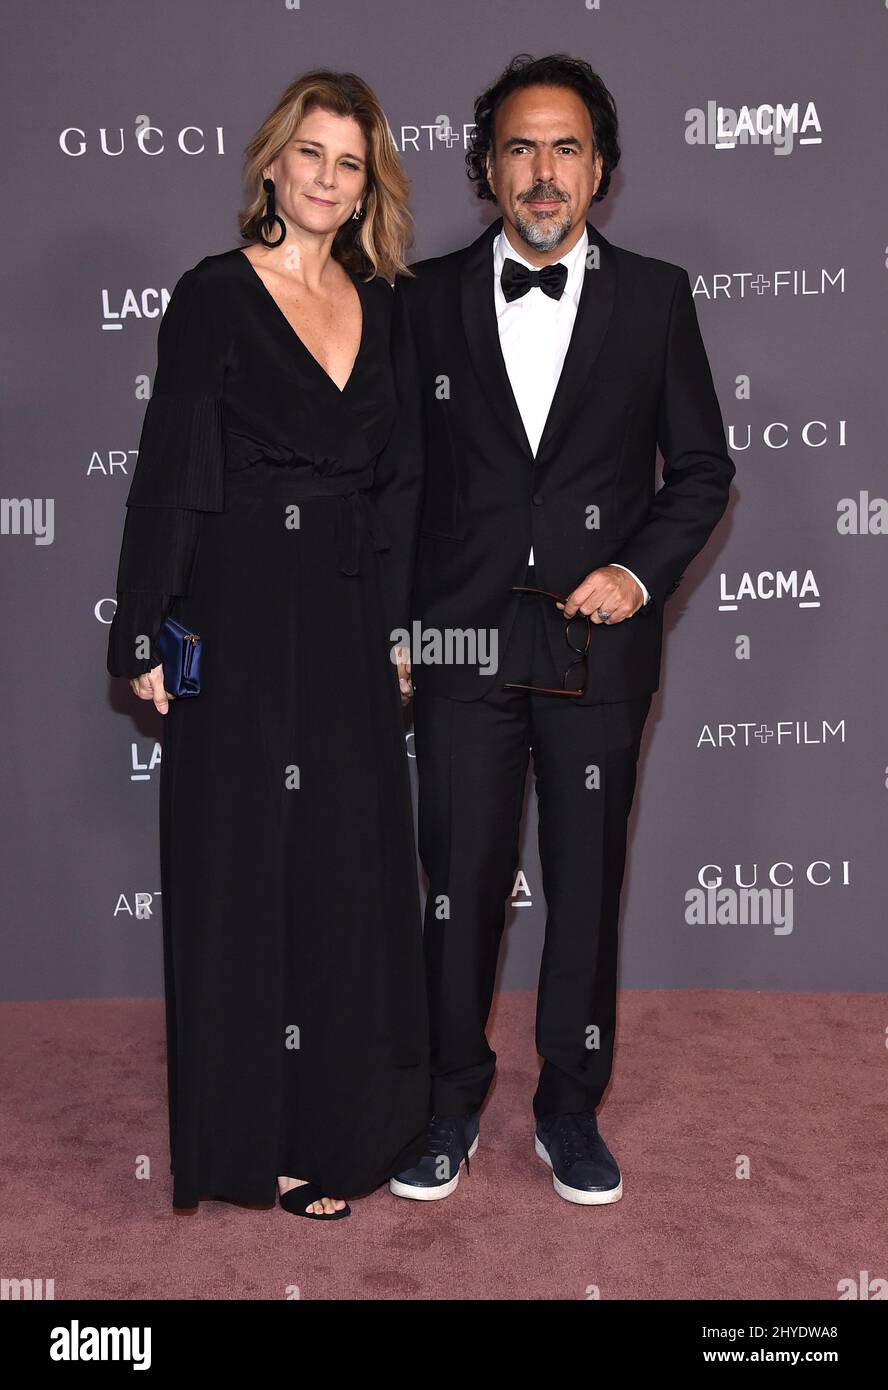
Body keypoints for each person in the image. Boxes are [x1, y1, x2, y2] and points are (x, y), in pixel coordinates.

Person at [388, 54, 735, 1205]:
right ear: (488, 168)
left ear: (604, 168)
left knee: (584, 886)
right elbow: (396, 482)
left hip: (599, 646)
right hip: (460, 643)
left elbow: (701, 469)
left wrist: (639, 572)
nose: (545, 172)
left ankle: (569, 1107)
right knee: (460, 883)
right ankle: (447, 1102)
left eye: (568, 147)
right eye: (522, 148)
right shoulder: (422, 299)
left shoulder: (657, 297)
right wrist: (397, 627)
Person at [106, 70, 429, 1219]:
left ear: (367, 182)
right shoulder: (212, 294)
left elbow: (401, 487)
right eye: (313, 155)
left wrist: (398, 631)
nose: (329, 180)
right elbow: (173, 464)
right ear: (273, 163)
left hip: (346, 619)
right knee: (243, 869)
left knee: (342, 872)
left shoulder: (382, 303)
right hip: (236, 613)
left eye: (351, 163)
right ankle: (255, 1142)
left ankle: (340, 1122)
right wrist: (146, 620)